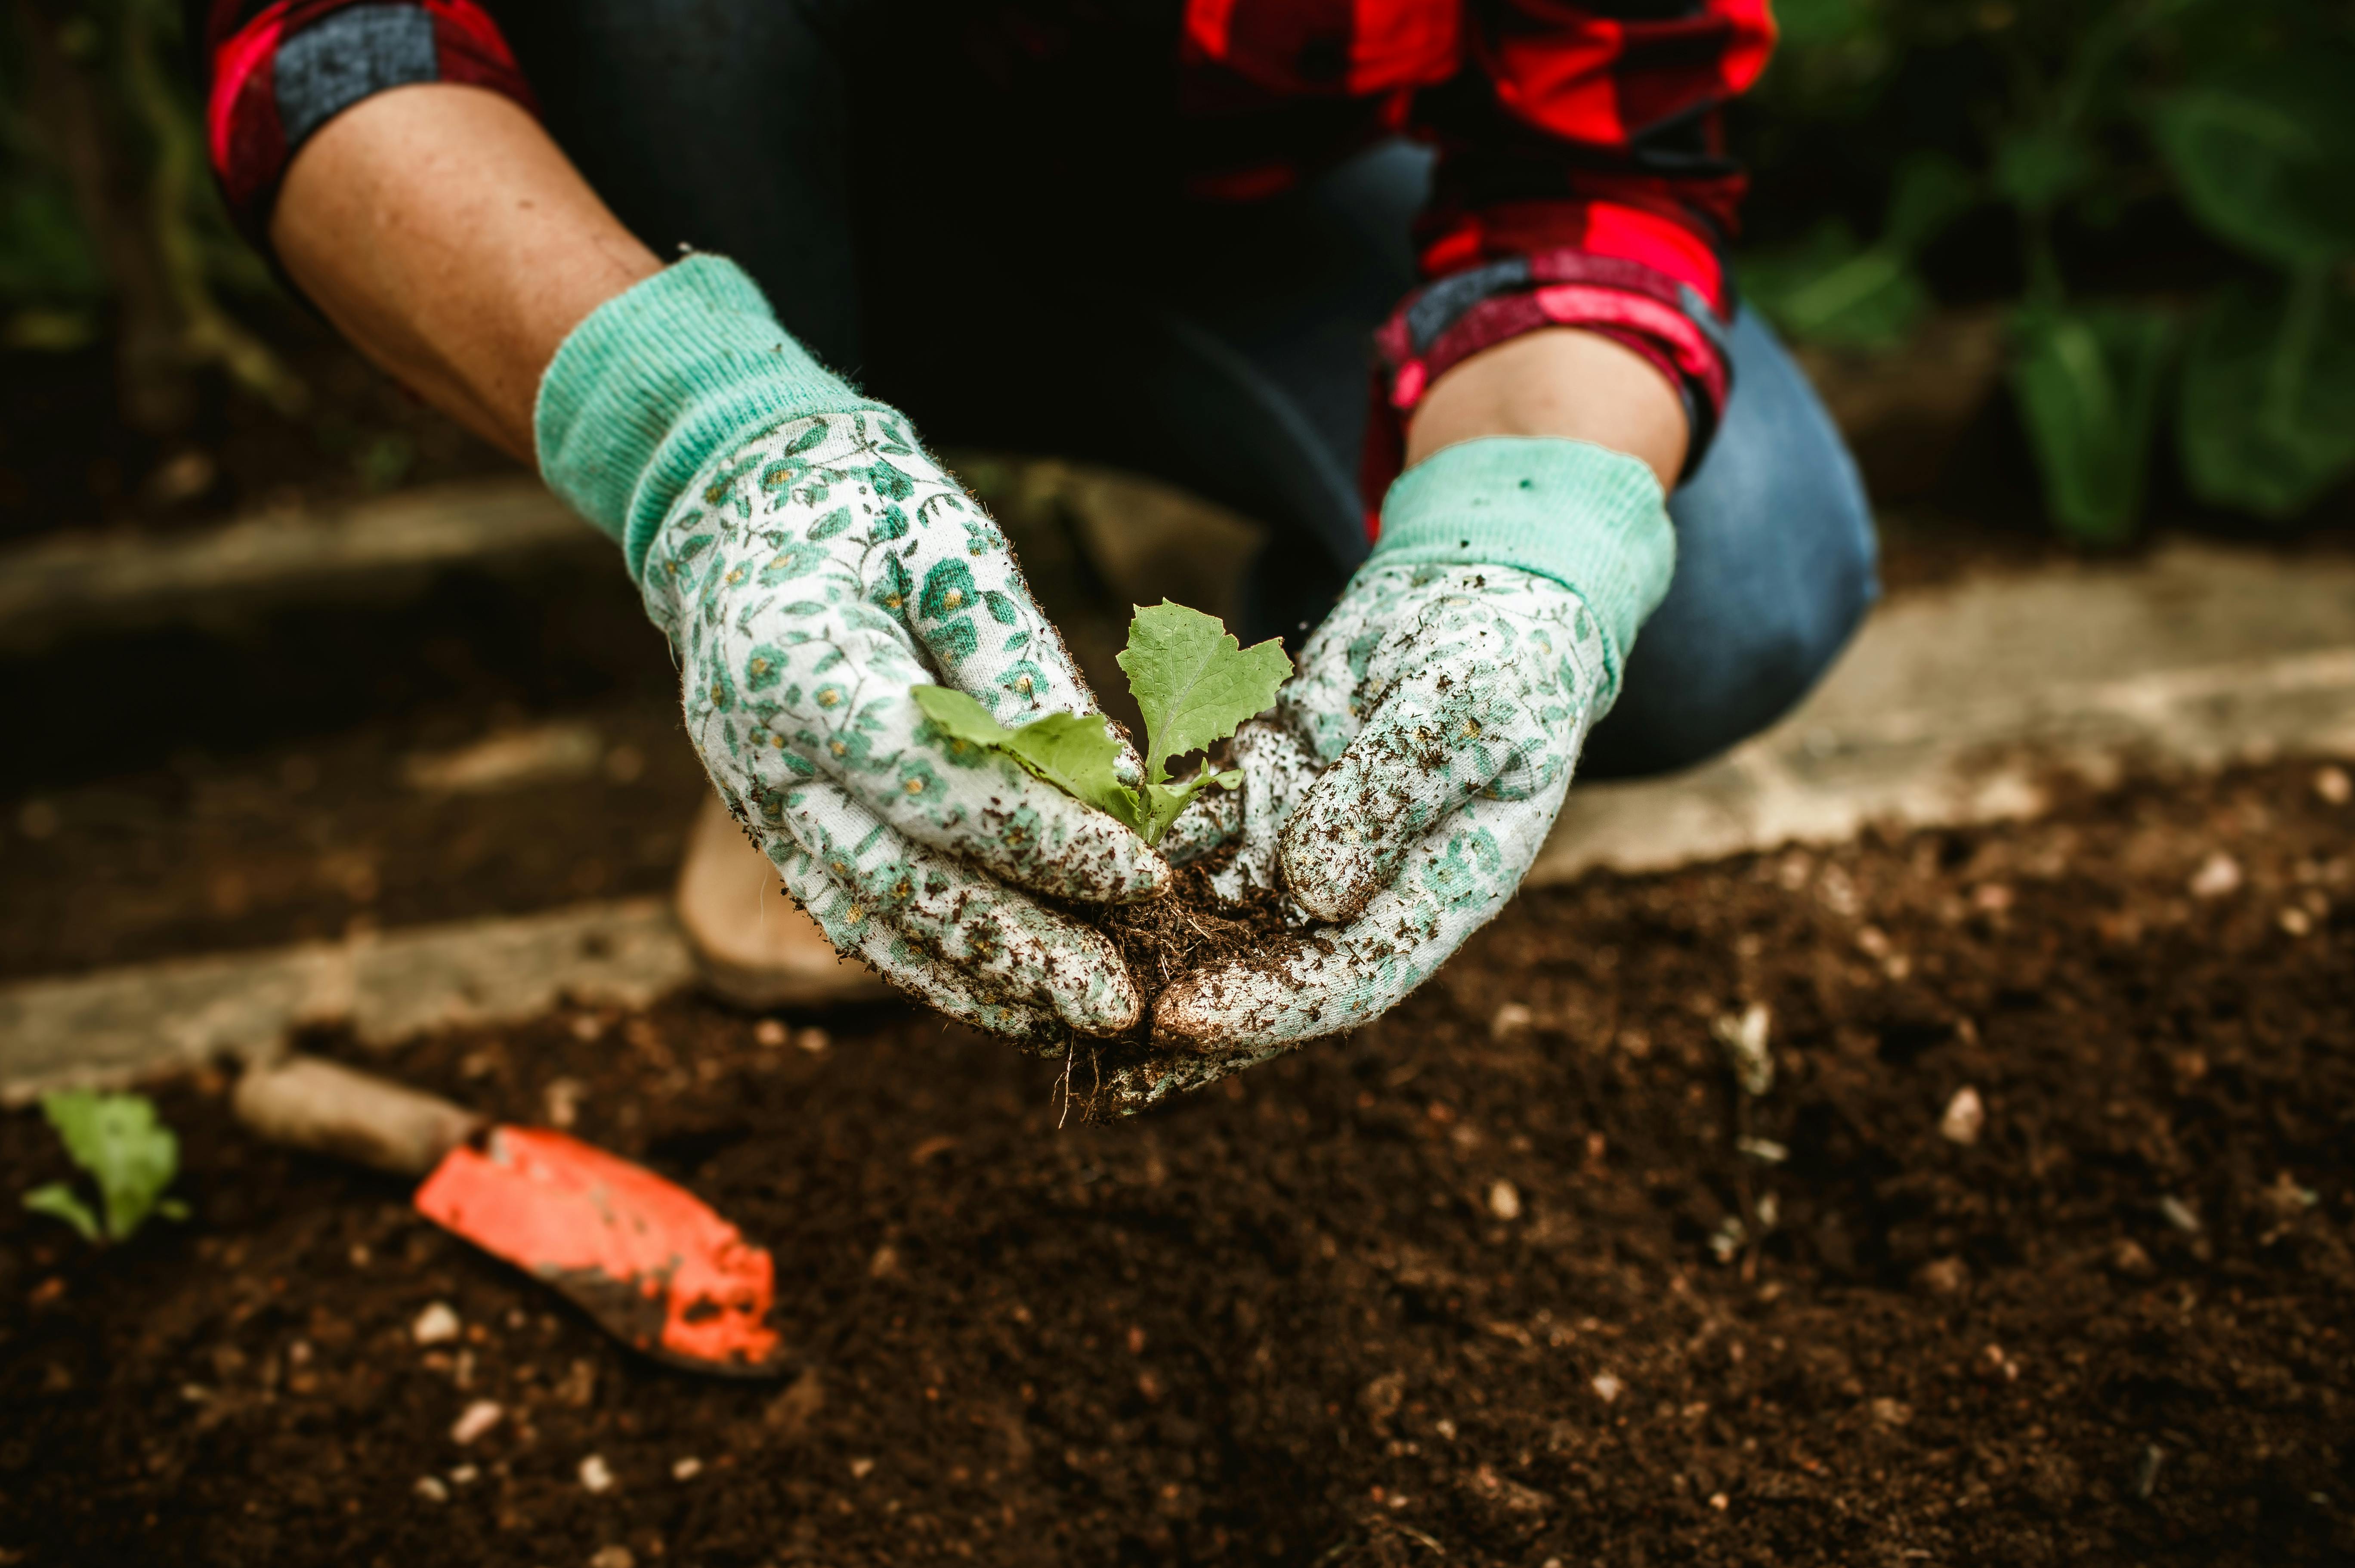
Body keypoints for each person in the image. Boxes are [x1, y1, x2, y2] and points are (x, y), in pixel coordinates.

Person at [191, 0, 1873, 1095]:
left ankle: (1296, 701)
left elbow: (1601, 163)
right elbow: (328, 47)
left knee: (1722, 587)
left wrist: (1514, 559)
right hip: (704, 211)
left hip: (1234, 217)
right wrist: (711, 451)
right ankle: (814, 655)